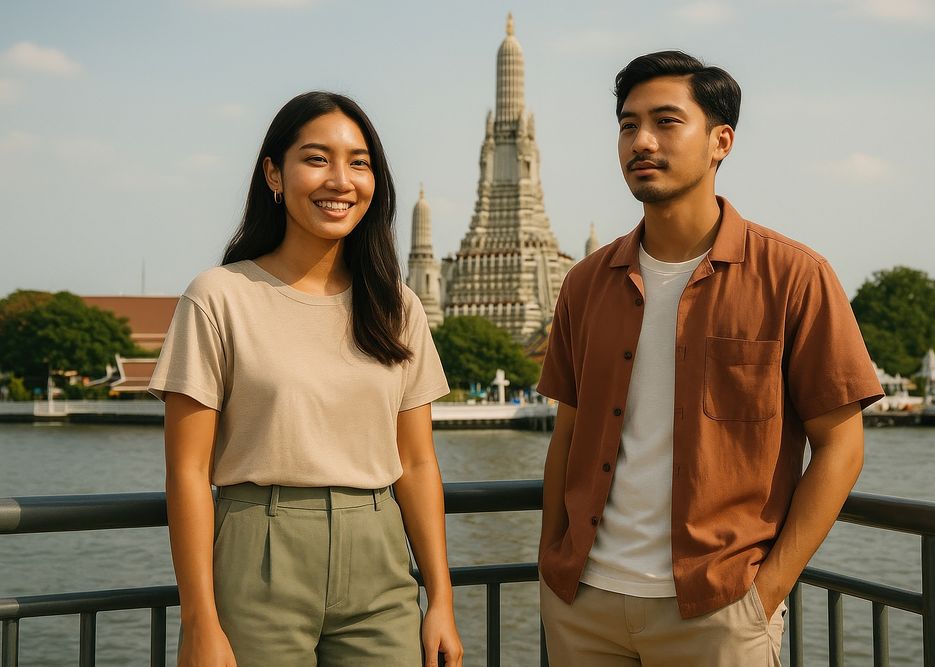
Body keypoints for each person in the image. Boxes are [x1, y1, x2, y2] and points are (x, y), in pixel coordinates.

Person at [536, 51, 884, 666]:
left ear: (721, 141)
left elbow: (841, 447)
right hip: (585, 603)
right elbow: (568, 432)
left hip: (717, 609)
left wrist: (764, 595)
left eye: (666, 121)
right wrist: (551, 561)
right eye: (627, 125)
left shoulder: (793, 276)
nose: (642, 141)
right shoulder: (586, 283)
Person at [148, 91, 463, 667]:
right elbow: (187, 471)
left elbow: (417, 464)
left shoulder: (397, 307)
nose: (340, 180)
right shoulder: (218, 297)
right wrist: (199, 622)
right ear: (274, 173)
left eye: (359, 163)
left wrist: (441, 599)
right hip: (259, 553)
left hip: (380, 558)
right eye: (317, 159)